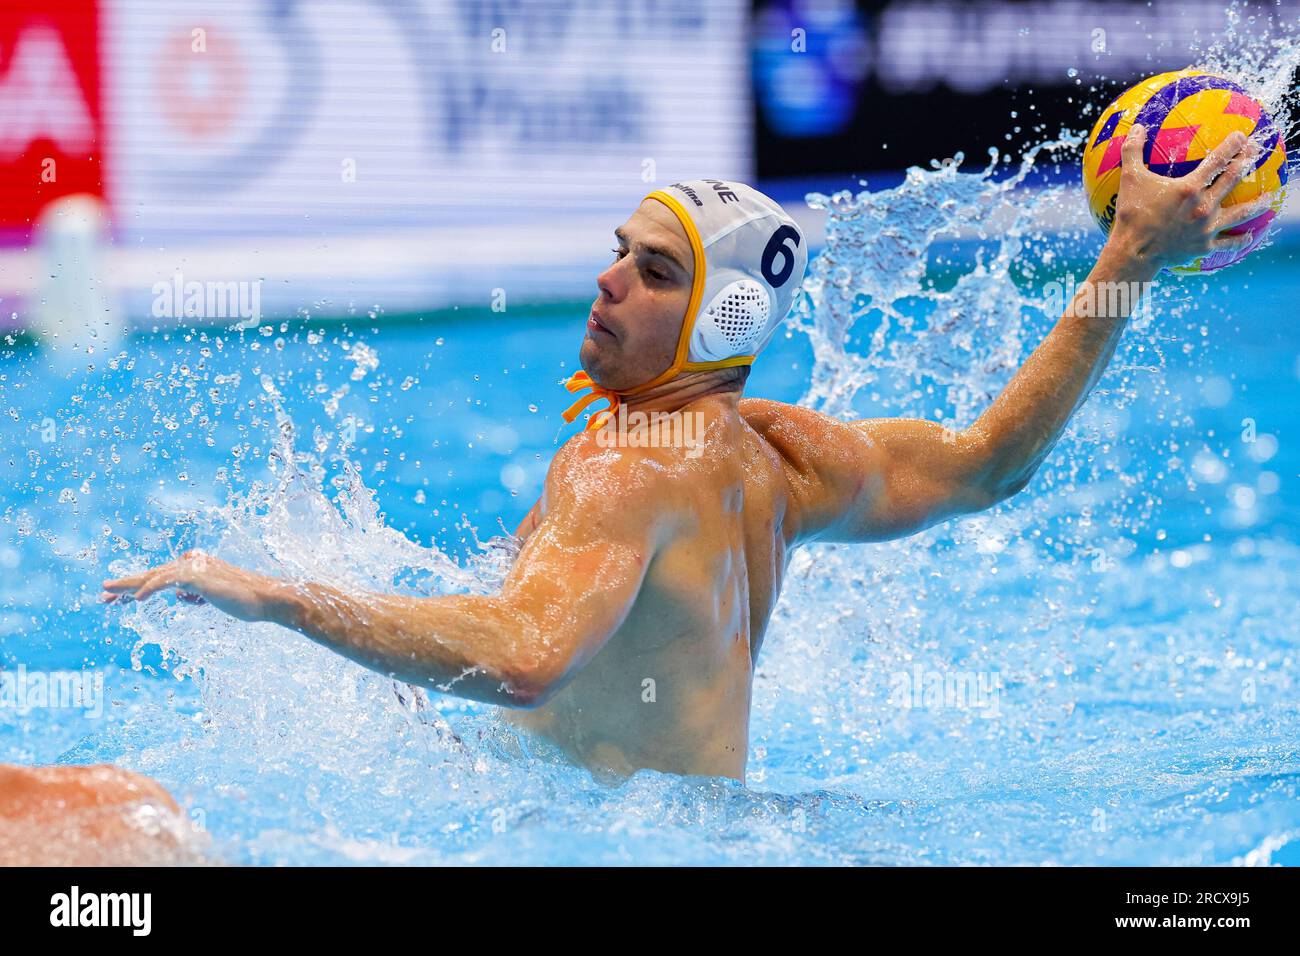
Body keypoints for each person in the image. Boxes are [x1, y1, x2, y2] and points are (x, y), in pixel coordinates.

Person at [101, 128, 1265, 783]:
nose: (608, 279)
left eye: (656, 271)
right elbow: (987, 464)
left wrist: (279, 595)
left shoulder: (626, 466)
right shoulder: (777, 454)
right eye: (620, 250)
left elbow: (523, 658)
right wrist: (1128, 261)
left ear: (718, 325)